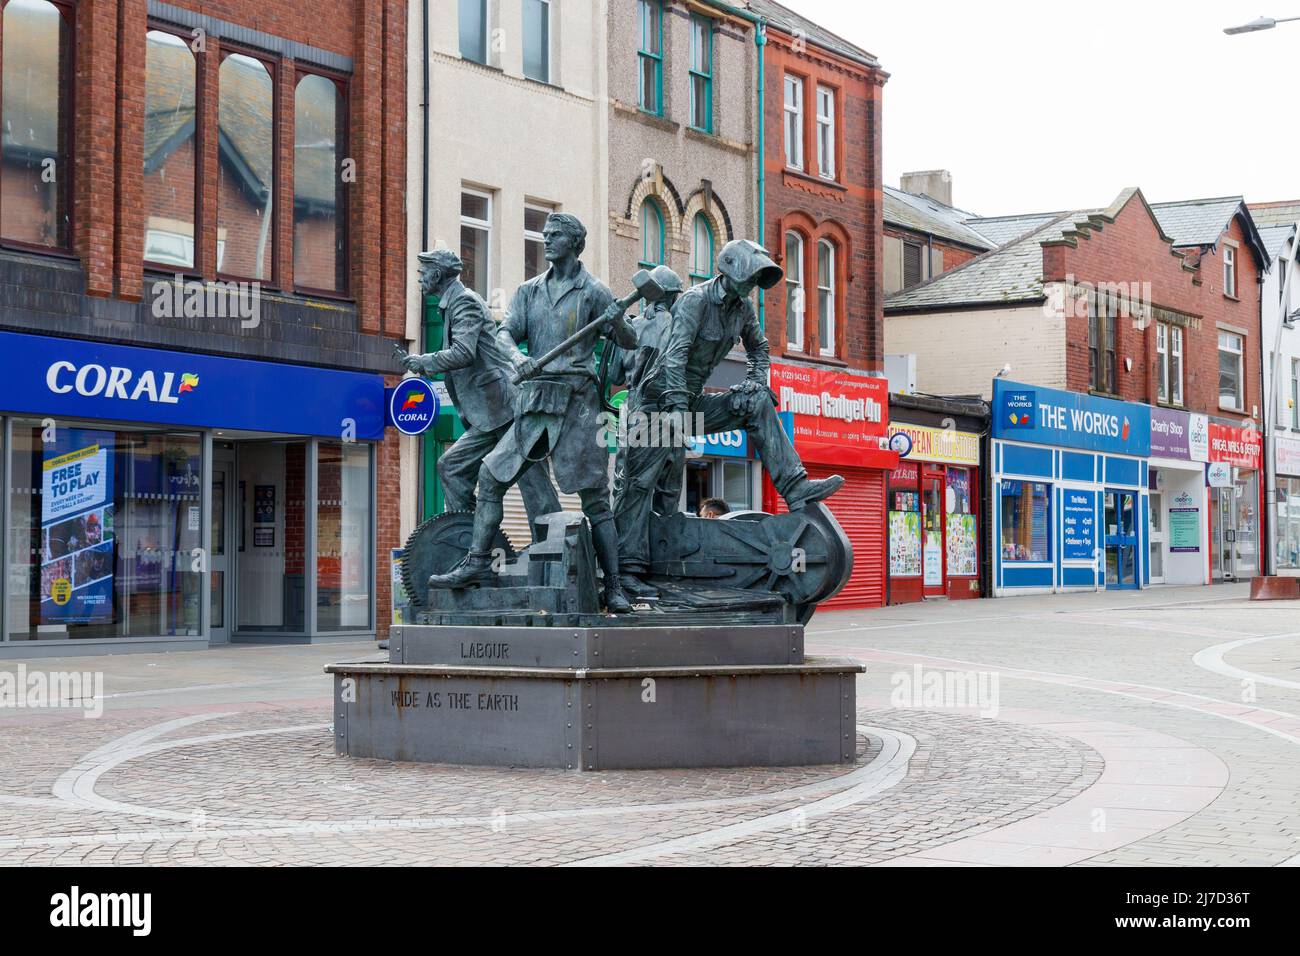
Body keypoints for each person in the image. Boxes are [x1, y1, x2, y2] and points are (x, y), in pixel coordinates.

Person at [428, 213, 638, 613]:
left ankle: (613, 586)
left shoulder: (593, 292)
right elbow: (506, 333)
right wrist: (515, 357)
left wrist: (617, 322)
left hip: (578, 402)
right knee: (490, 476)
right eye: (545, 234)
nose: (546, 239)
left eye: (555, 235)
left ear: (575, 242)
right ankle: (476, 563)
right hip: (538, 399)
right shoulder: (528, 291)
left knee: (595, 498)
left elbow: (628, 339)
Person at [612, 239, 845, 592]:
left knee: (757, 402)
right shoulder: (695, 301)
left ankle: (796, 488)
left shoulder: (742, 308)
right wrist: (676, 412)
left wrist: (754, 382)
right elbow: (675, 356)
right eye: (749, 277)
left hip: (690, 402)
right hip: (657, 403)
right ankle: (628, 571)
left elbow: (760, 348)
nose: (752, 285)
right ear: (731, 271)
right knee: (639, 485)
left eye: (756, 280)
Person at [400, 249, 560, 530]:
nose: (419, 280)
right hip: (489, 412)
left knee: (535, 487)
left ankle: (555, 549)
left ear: (437, 274)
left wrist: (424, 361)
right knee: (451, 467)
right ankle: (470, 539)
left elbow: (464, 352)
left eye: (423, 273)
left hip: (504, 407)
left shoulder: (465, 303)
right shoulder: (452, 304)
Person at [610, 264, 686, 598]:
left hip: (638, 412)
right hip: (672, 414)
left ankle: (630, 566)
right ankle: (649, 566)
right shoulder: (678, 326)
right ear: (670, 297)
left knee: (632, 489)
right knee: (665, 491)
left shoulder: (629, 329)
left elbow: (613, 373)